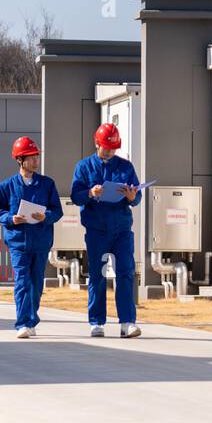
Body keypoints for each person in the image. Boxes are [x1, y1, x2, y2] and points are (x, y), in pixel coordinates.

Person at [71, 123, 143, 338]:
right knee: (97, 275)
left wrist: (132, 197)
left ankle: (127, 322)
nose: (110, 152)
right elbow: (76, 196)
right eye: (106, 148)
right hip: (96, 230)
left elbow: (137, 196)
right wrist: (91, 193)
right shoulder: (83, 167)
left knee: (125, 273)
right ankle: (97, 322)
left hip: (121, 229)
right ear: (97, 143)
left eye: (113, 148)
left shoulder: (125, 166)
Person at [0, 136, 63, 338]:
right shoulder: (7, 186)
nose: (35, 161)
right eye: (31, 157)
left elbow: (57, 211)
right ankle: (22, 323)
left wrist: (45, 216)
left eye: (36, 156)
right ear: (20, 159)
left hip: (40, 242)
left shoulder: (47, 184)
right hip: (18, 243)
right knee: (22, 282)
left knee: (36, 283)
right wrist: (11, 218)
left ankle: (31, 319)